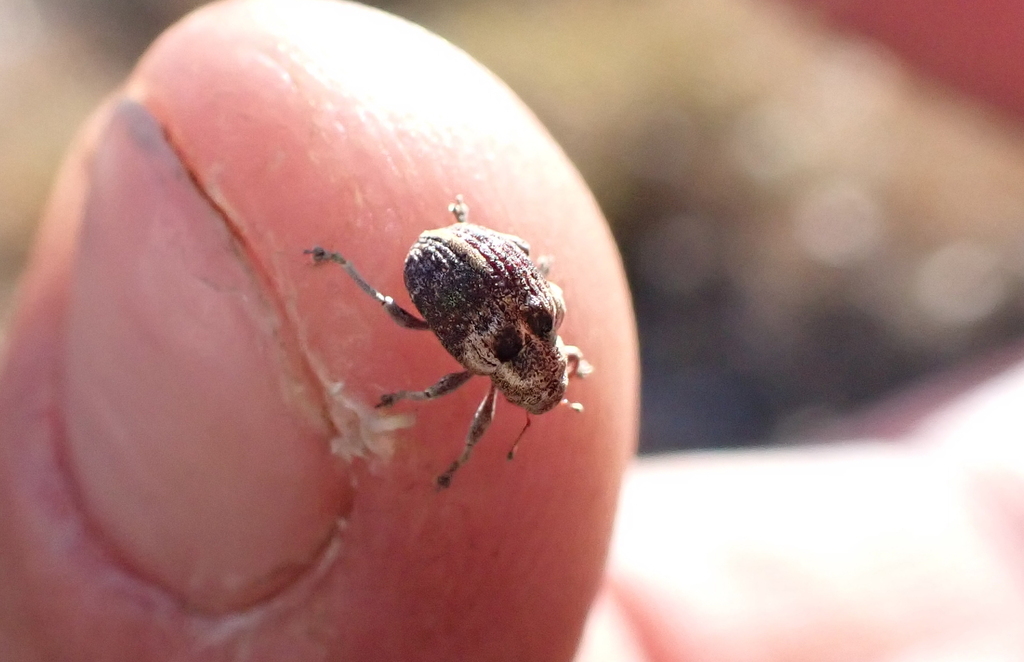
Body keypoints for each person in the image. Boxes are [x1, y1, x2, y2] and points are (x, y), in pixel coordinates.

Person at [1, 0, 1022, 660]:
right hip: (447, 253)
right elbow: (520, 297)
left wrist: (418, 413)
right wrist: (421, 408)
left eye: (538, 384)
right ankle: (338, 268)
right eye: (540, 379)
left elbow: (521, 307)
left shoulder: (523, 350)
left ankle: (351, 268)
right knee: (427, 316)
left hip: (459, 256)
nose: (542, 386)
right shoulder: (522, 348)